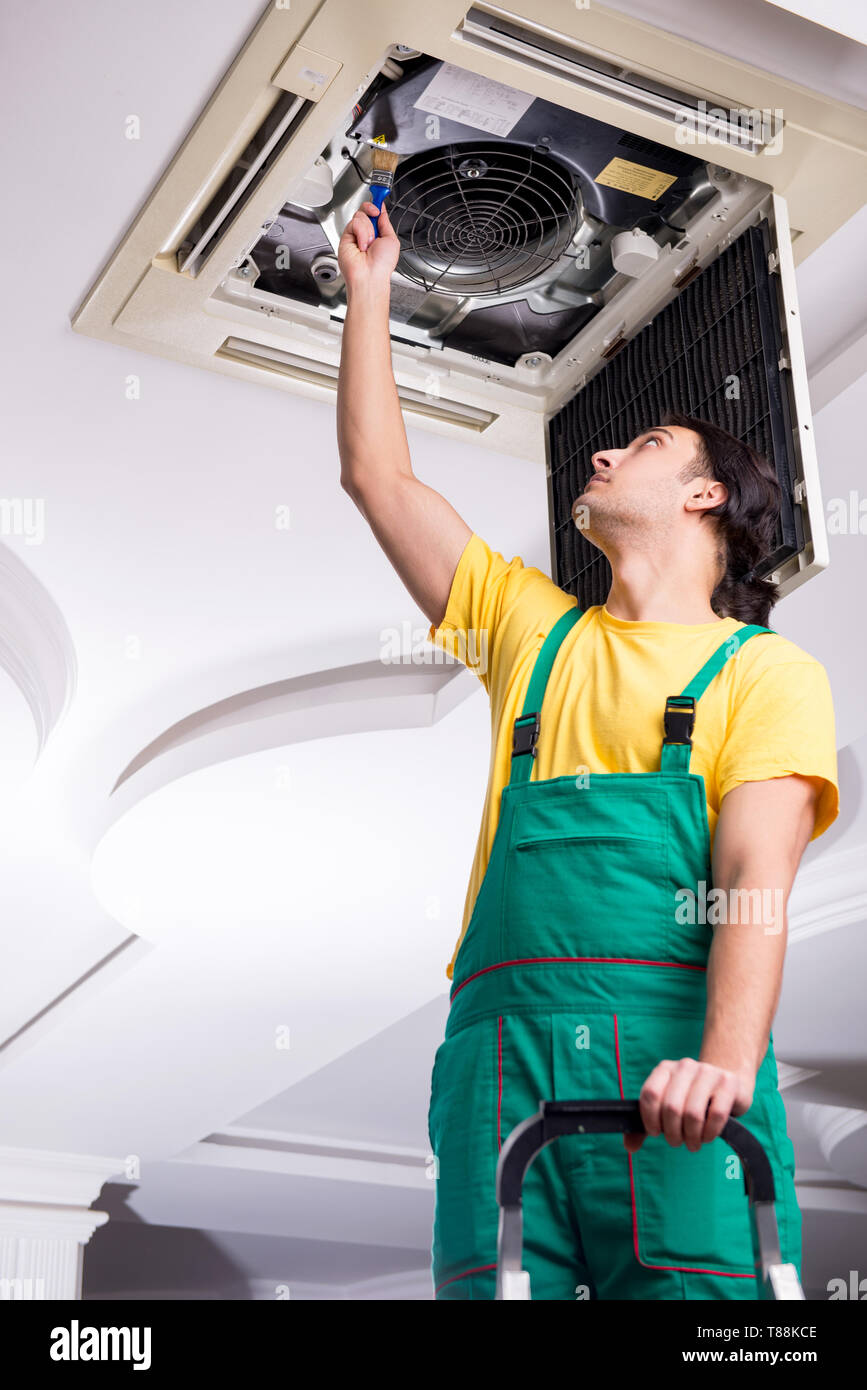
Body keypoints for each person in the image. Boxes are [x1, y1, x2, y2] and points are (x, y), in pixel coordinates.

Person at [336, 200, 839, 1300]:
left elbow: (756, 884)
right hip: (499, 1054)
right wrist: (369, 292)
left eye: (645, 444)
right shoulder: (529, 634)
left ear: (706, 495)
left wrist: (726, 1059)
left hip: (678, 1055)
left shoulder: (762, 673)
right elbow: (380, 481)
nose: (602, 448)